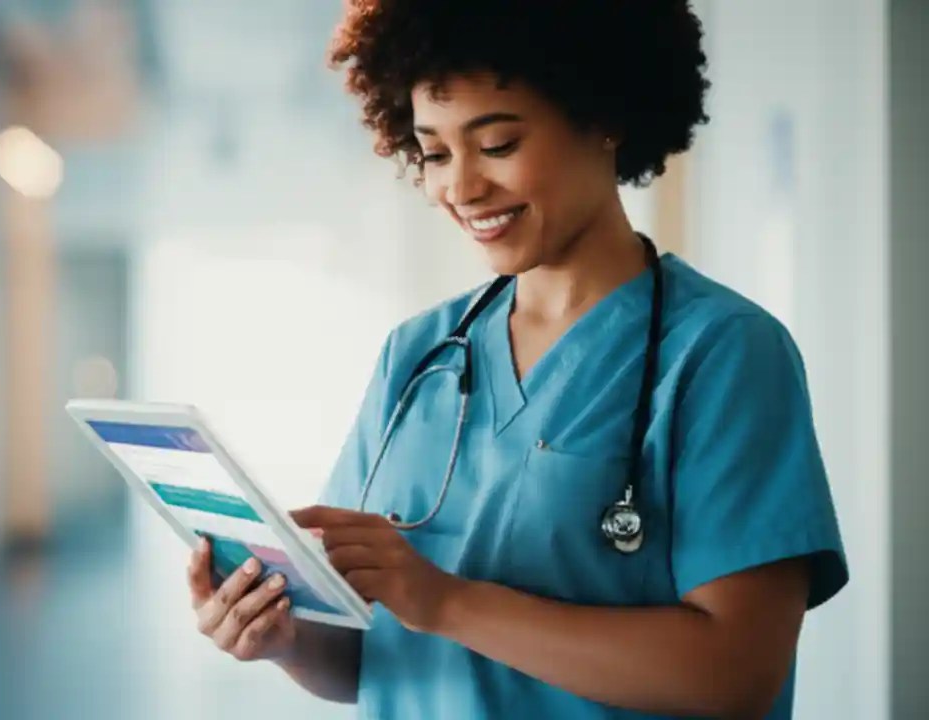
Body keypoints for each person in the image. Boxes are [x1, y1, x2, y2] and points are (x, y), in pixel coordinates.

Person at [185, 0, 849, 717]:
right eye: (434, 153)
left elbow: (736, 674)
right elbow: (364, 660)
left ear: (605, 118)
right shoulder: (416, 356)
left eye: (497, 144)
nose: (462, 188)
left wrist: (445, 600)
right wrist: (281, 638)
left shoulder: (723, 353)